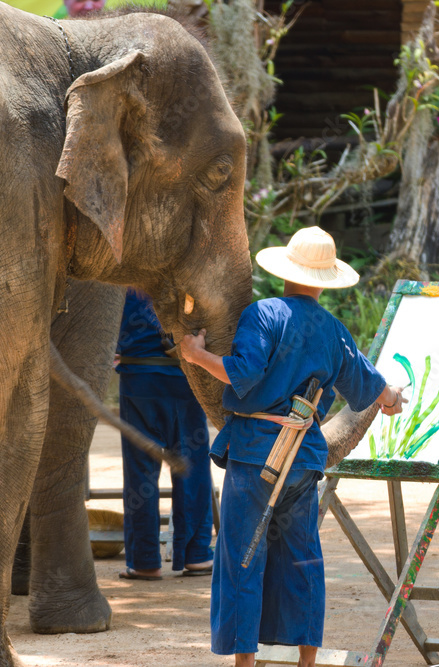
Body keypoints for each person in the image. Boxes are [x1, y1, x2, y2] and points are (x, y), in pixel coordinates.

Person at [180, 227, 407, 667]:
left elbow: (240, 373)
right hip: (303, 461)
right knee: (302, 559)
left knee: (243, 557)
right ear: (324, 280)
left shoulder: (263, 314)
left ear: (285, 270)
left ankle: (245, 662)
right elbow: (370, 383)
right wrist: (392, 397)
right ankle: (306, 659)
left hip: (253, 458)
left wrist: (195, 355)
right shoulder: (333, 330)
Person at [116, 288, 215, 580]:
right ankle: (196, 554)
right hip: (186, 378)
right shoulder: (188, 273)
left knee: (140, 472)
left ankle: (144, 560)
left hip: (139, 380)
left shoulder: (126, 279)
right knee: (192, 467)